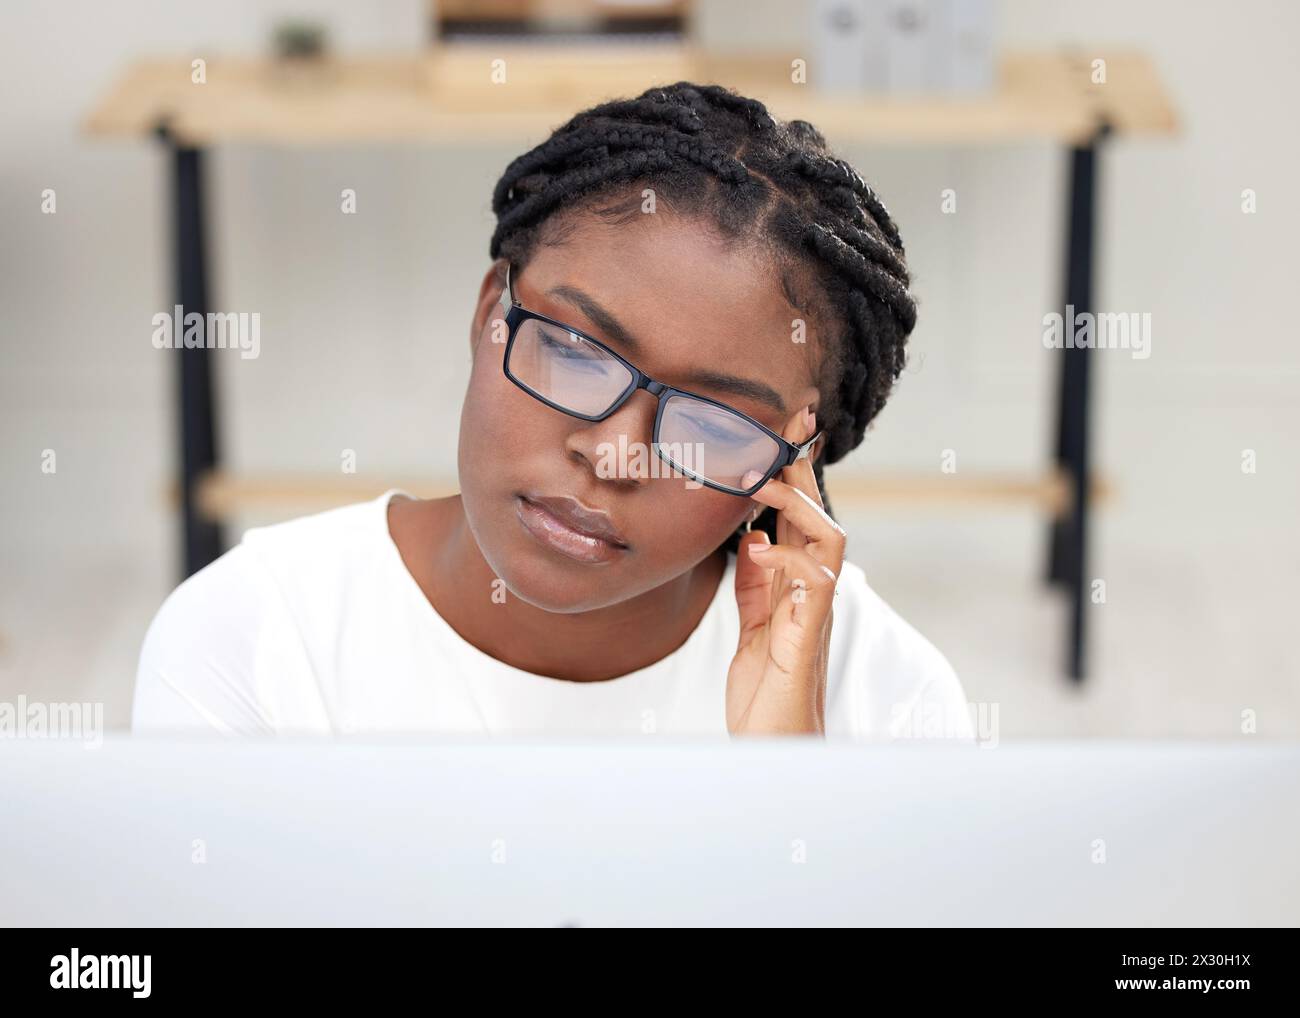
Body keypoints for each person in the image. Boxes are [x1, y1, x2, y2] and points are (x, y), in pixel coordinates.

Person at [133, 81, 974, 741]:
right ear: (489, 312)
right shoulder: (256, 631)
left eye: (715, 425)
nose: (615, 454)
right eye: (574, 350)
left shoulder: (888, 695)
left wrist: (792, 783)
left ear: (790, 470)